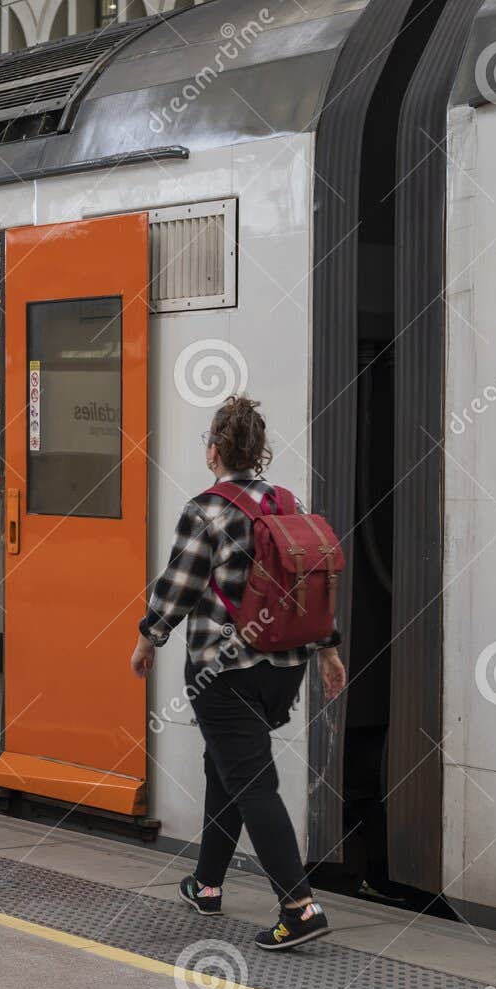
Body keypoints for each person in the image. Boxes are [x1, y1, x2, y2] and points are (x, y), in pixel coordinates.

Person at [130, 395, 347, 951]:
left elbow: (178, 587)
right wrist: (328, 651)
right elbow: (312, 585)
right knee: (225, 765)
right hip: (284, 668)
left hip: (222, 673)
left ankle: (299, 907)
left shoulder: (207, 510)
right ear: (259, 451)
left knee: (252, 782)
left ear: (215, 452)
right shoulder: (289, 502)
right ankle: (206, 884)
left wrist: (148, 638)